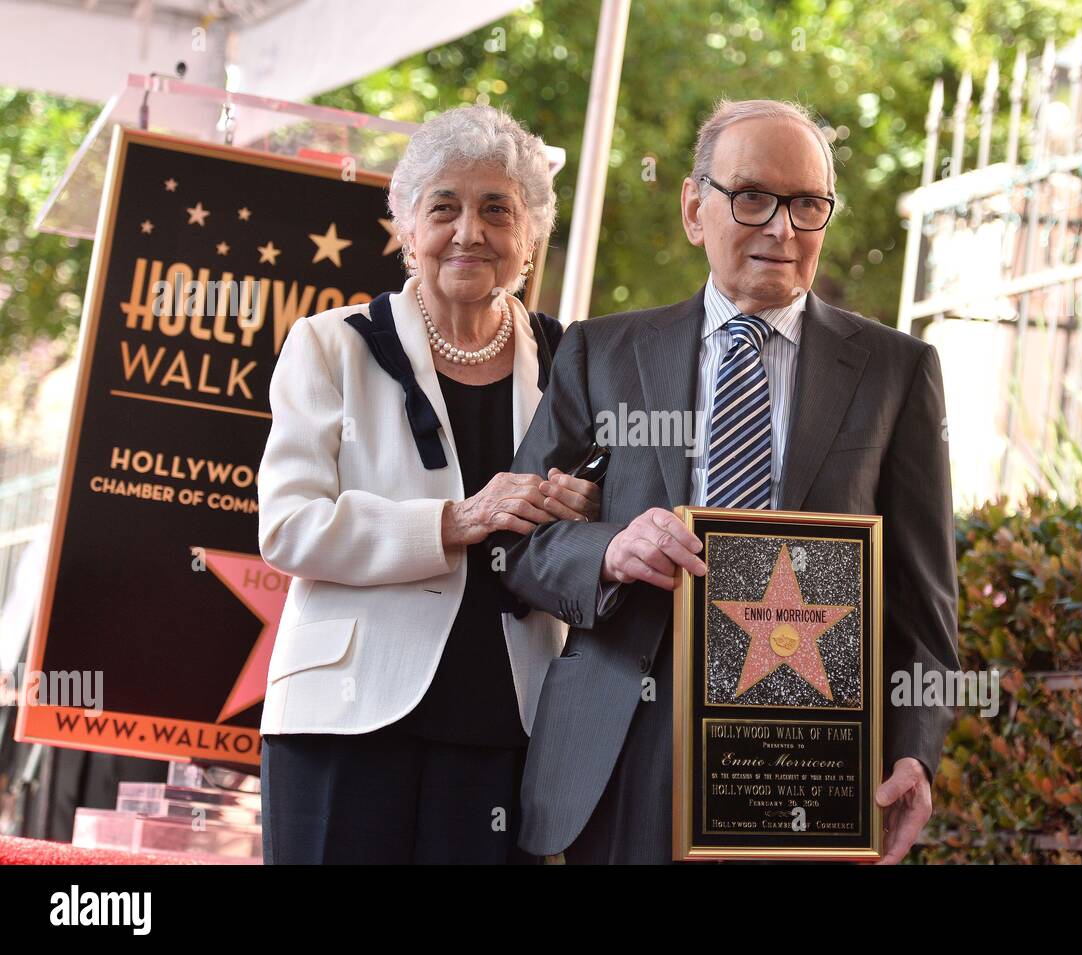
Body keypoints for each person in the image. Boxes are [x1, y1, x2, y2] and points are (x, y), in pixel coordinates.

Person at [494, 99, 960, 864]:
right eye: (753, 197)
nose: (782, 228)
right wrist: (610, 550)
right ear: (693, 205)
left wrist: (913, 748)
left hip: (802, 761)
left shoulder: (896, 372)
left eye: (807, 204)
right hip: (624, 750)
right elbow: (518, 544)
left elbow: (922, 601)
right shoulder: (598, 353)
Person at [256, 104, 599, 864]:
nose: (469, 231)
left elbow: (607, 531)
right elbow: (289, 525)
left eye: (497, 209)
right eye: (444, 206)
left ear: (530, 235)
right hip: (343, 720)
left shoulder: (575, 361)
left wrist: (584, 513)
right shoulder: (327, 345)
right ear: (408, 229)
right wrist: (453, 519)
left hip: (511, 722)